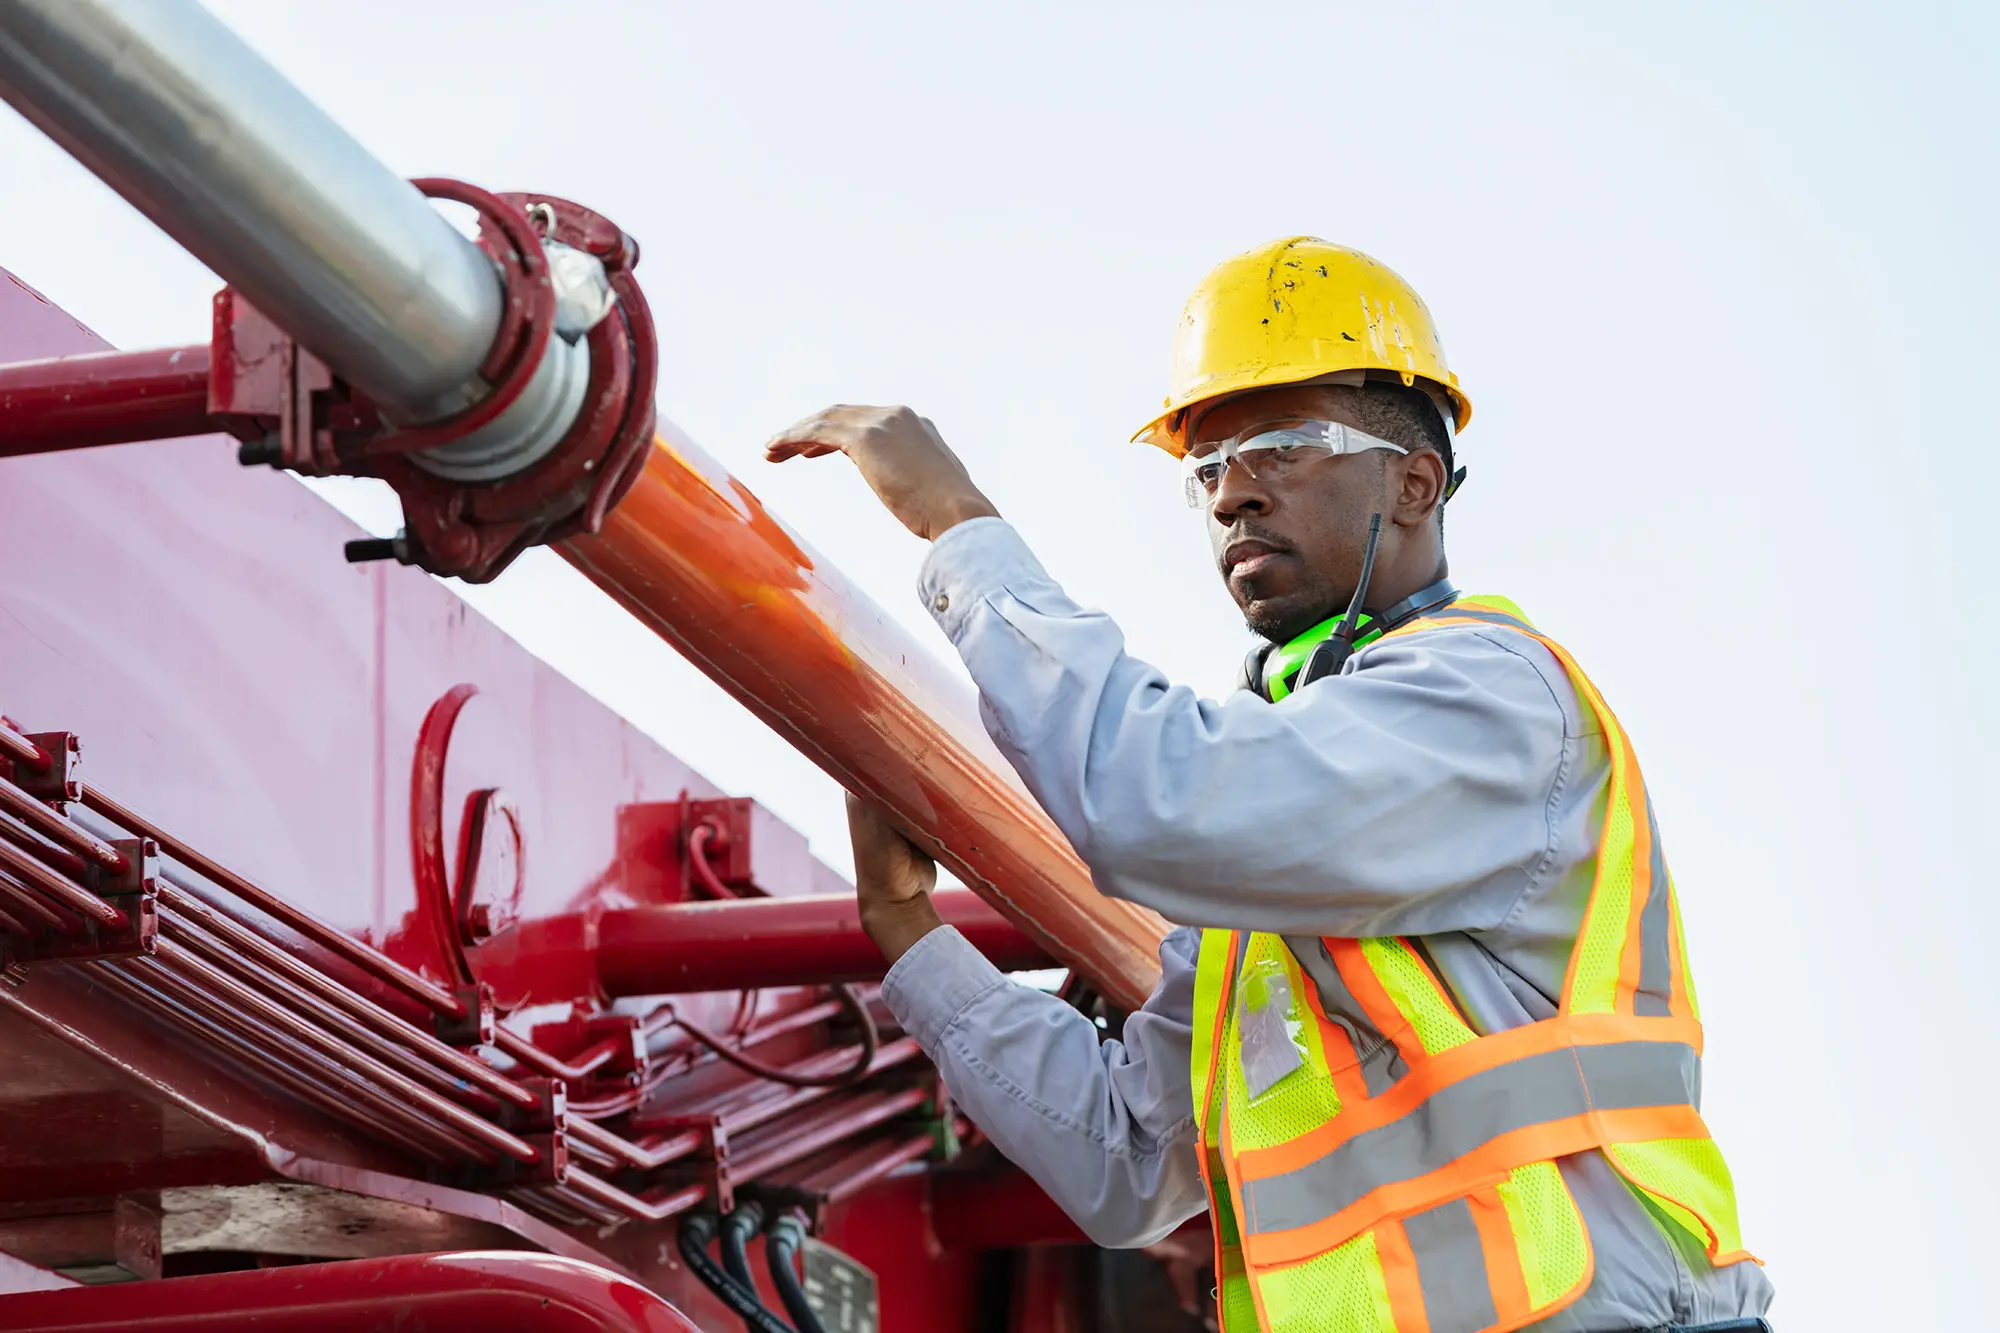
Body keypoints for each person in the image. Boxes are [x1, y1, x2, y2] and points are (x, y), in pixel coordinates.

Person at [766, 236, 1774, 1333]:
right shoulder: (1276, 860)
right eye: (1205, 468)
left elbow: (1157, 800)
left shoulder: (1484, 699)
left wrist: (959, 529)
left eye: (1282, 445)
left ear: (1415, 481)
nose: (1232, 494)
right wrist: (908, 930)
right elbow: (1128, 1163)